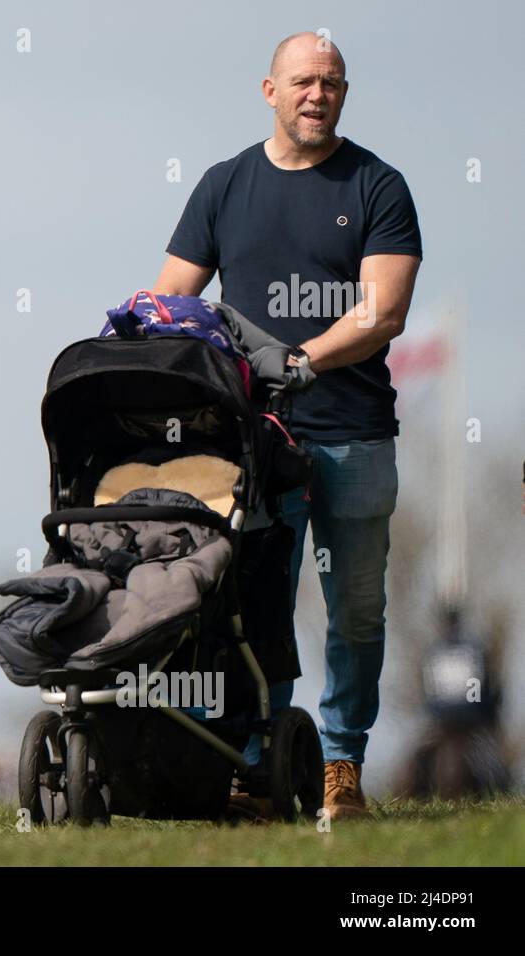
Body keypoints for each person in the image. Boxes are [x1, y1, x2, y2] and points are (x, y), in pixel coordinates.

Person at [154, 33, 422, 820]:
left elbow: (384, 312)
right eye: (303, 81)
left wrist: (301, 361)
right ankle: (261, 763)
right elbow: (173, 297)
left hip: (353, 435)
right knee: (251, 605)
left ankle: (341, 763)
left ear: (345, 93)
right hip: (252, 442)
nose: (318, 94)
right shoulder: (224, 185)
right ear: (269, 90)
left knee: (357, 610)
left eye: (332, 83)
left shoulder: (378, 185)